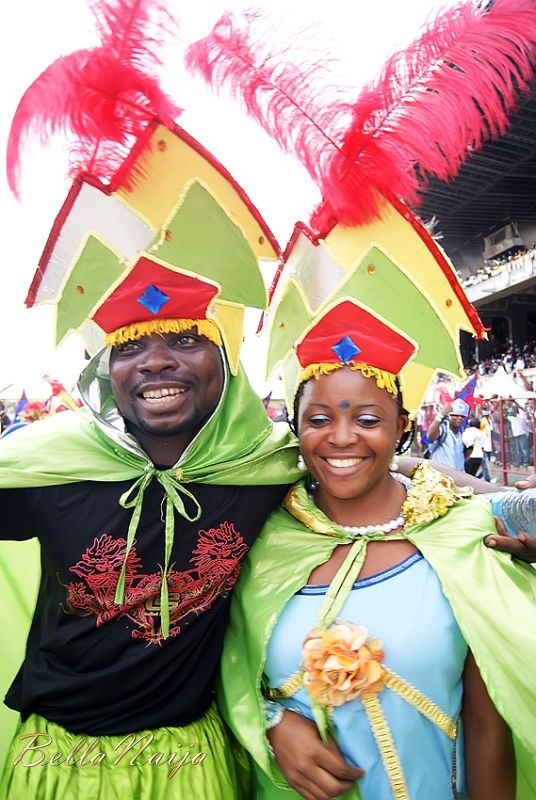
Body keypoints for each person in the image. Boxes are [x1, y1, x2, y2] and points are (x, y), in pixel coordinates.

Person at [218, 305, 536, 800]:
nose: (341, 437)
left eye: (368, 419)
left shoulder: (463, 536)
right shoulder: (259, 540)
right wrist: (271, 722)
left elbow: (486, 723)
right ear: (294, 429)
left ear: (402, 427)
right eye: (318, 419)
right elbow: (220, 667)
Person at [424, 398, 470, 471]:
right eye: (455, 415)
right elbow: (430, 437)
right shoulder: (443, 429)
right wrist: (441, 415)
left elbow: (466, 455)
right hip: (441, 476)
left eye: (462, 416)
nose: (459, 418)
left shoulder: (463, 433)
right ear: (449, 416)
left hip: (458, 476)